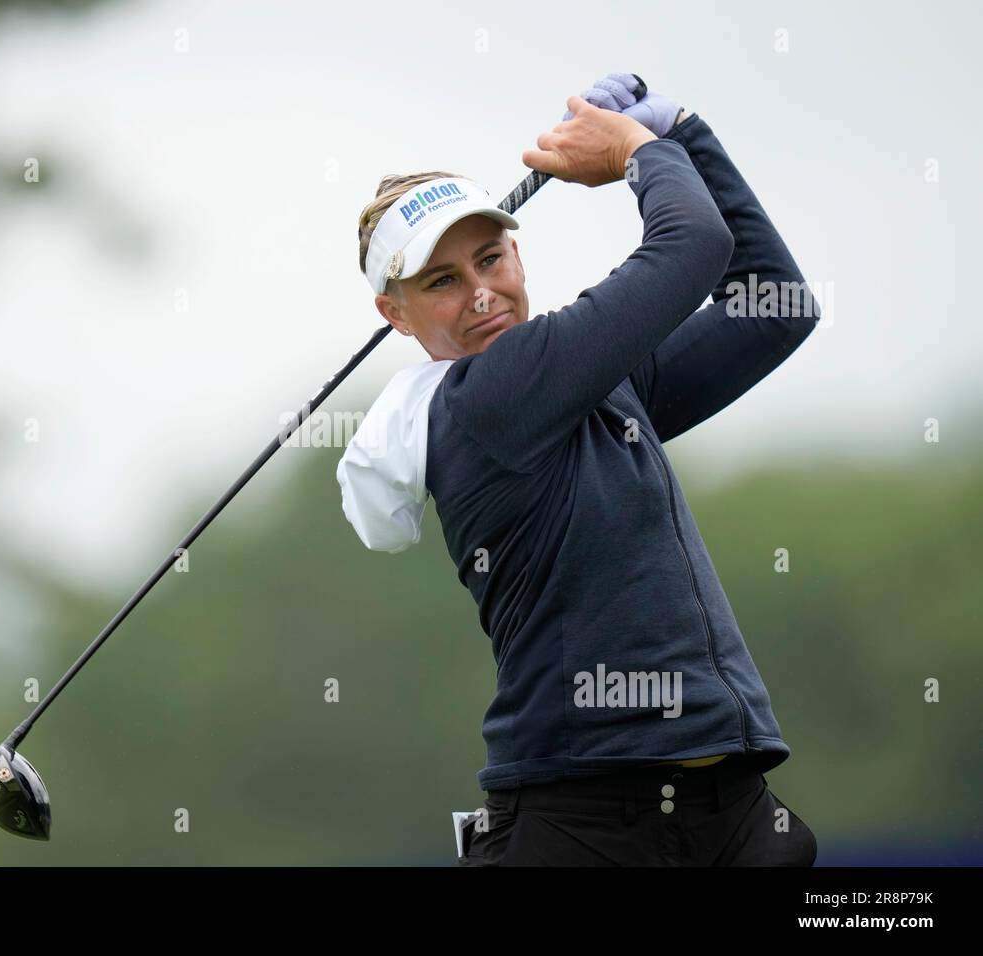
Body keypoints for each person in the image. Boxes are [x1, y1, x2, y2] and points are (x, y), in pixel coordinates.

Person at [336, 74, 820, 866]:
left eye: (490, 258)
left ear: (516, 252)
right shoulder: (489, 395)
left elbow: (773, 306)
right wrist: (641, 150)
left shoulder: (592, 385)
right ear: (396, 313)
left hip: (728, 810)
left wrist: (688, 137)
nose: (482, 294)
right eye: (442, 282)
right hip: (584, 824)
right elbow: (692, 246)